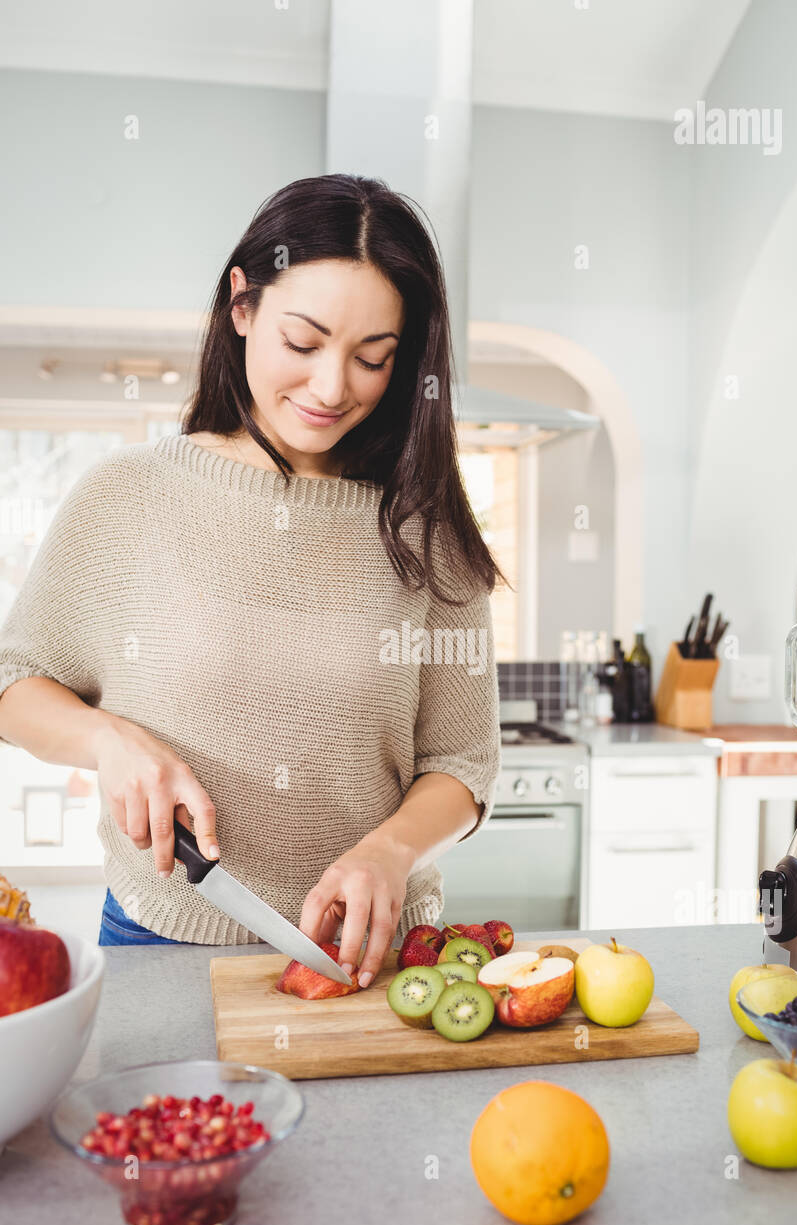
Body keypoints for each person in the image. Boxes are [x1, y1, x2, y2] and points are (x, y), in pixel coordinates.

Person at [0, 174, 502, 984]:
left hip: (373, 956)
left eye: (373, 358)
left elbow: (463, 763)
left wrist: (391, 850)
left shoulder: (426, 528)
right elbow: (13, 683)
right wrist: (108, 741)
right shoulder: (127, 496)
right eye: (303, 343)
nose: (333, 387)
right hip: (163, 943)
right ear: (242, 305)